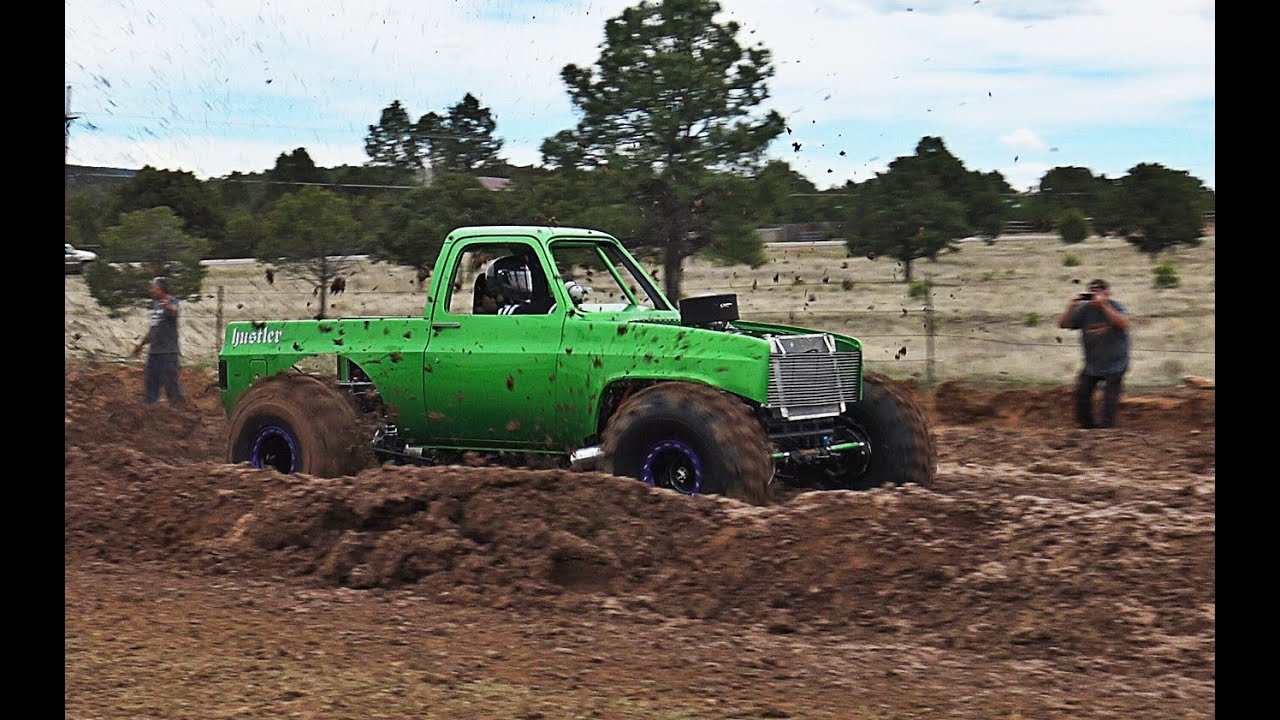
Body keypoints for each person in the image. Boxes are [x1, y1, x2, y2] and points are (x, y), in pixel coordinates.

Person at [1058, 278, 1130, 428]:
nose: (1095, 295)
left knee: (1109, 399)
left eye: (1098, 292)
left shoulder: (1115, 307)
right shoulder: (1084, 310)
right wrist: (1071, 306)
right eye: (1092, 292)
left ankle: (1106, 430)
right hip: (1093, 363)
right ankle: (1087, 427)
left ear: (1107, 294)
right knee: (1082, 394)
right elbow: (1064, 324)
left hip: (1115, 363)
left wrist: (1104, 306)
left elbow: (1123, 323)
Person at [132, 276, 186, 405]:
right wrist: (141, 345)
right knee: (151, 382)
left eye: (154, 287)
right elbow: (153, 328)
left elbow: (174, 312)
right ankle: (150, 408)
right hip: (154, 352)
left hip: (168, 351)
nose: (152, 290)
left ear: (161, 289)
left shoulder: (171, 301)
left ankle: (178, 409)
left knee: (170, 383)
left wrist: (167, 307)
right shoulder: (155, 306)